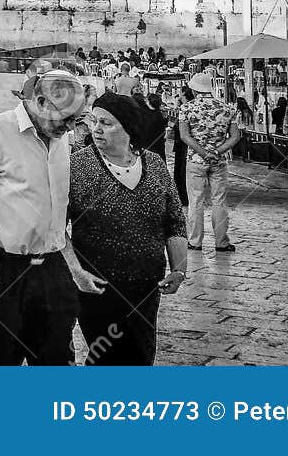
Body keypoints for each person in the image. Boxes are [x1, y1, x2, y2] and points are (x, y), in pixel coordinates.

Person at [0, 59, 93, 366]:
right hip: (4, 270)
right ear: (41, 102)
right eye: (66, 118)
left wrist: (72, 266)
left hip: (52, 269)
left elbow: (57, 210)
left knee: (54, 360)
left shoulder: (59, 138)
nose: (71, 127)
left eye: (76, 119)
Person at [66, 93, 189, 366]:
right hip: (96, 285)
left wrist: (179, 269)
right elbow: (54, 228)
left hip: (146, 287)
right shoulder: (76, 166)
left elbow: (174, 220)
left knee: (141, 357)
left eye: (107, 123)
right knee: (106, 358)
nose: (96, 129)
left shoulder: (155, 165)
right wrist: (76, 272)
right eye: (94, 121)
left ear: (129, 128)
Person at [177, 71, 241, 253]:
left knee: (195, 201)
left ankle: (195, 241)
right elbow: (235, 137)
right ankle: (221, 242)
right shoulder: (228, 109)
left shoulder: (187, 109)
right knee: (219, 201)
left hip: (195, 160)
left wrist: (203, 152)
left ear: (195, 90)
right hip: (219, 161)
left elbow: (184, 136)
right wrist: (216, 151)